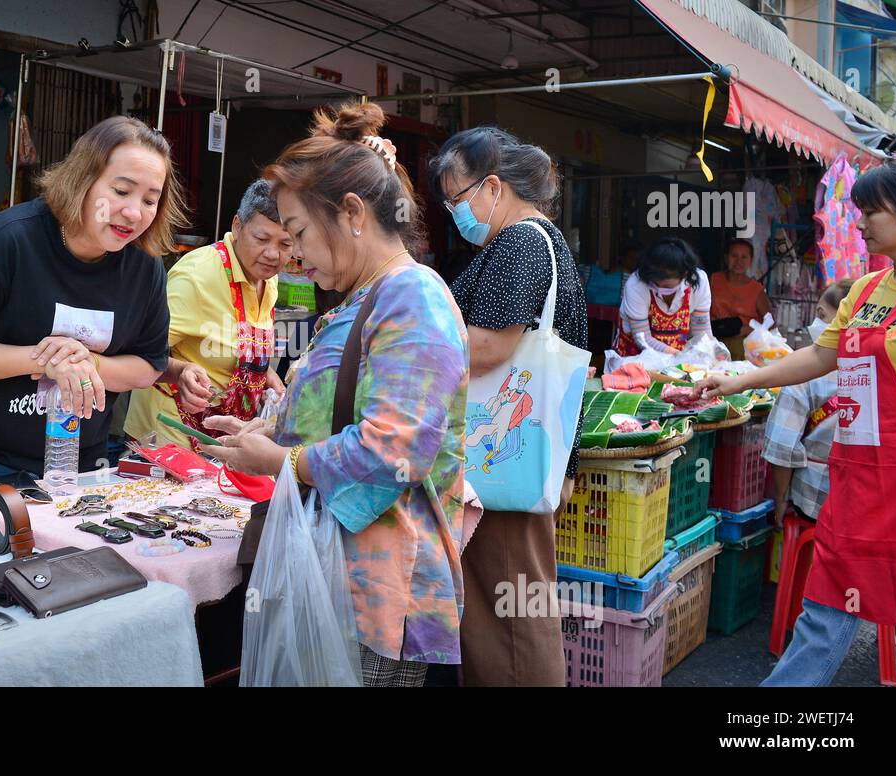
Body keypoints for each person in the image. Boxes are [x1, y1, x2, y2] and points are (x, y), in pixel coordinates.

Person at [200, 102, 470, 687]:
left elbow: (395, 448)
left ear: (351, 213)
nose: (293, 255)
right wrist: (270, 431)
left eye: (298, 232)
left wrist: (284, 461)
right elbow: (346, 412)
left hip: (383, 596)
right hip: (335, 577)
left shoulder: (412, 297)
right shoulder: (363, 298)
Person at [703, 158, 896, 685]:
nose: (859, 224)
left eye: (871, 212)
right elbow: (819, 357)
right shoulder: (863, 293)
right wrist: (741, 378)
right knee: (823, 614)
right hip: (857, 482)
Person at [0, 116, 186, 490]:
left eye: (150, 200)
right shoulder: (7, 241)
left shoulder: (145, 267)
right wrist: (45, 359)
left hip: (86, 468)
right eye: (122, 191)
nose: (134, 212)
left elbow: (149, 365)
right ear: (83, 179)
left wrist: (87, 361)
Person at [430, 125, 587, 687]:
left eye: (457, 197)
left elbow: (491, 344)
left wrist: (412, 345)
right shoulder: (540, 240)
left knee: (511, 618)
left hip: (504, 463)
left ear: (492, 187)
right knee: (513, 608)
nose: (456, 213)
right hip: (521, 457)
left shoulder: (520, 241)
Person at [124, 179, 289, 448]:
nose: (273, 254)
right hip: (169, 434)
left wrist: (263, 372)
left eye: (286, 244)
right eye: (261, 239)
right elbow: (135, 352)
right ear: (237, 226)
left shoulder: (268, 278)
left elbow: (234, 343)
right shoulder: (197, 276)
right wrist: (179, 372)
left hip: (222, 437)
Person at [762, 279, 853, 526]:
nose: (816, 323)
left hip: (813, 499)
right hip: (865, 503)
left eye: (822, 315)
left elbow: (782, 447)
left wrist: (780, 500)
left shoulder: (802, 375)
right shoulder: (881, 370)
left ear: (843, 318)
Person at [614, 237, 712, 356]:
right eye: (655, 283)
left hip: (677, 361)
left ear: (684, 274)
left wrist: (709, 353)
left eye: (667, 286)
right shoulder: (636, 284)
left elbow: (701, 333)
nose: (660, 287)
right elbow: (642, 339)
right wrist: (677, 355)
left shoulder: (698, 282)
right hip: (635, 358)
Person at [710, 238, 773, 359]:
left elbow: (770, 323)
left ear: (751, 261)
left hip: (744, 345)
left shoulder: (756, 290)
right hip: (715, 341)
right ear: (726, 257)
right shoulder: (713, 280)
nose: (738, 261)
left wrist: (749, 330)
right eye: (734, 256)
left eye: (744, 257)